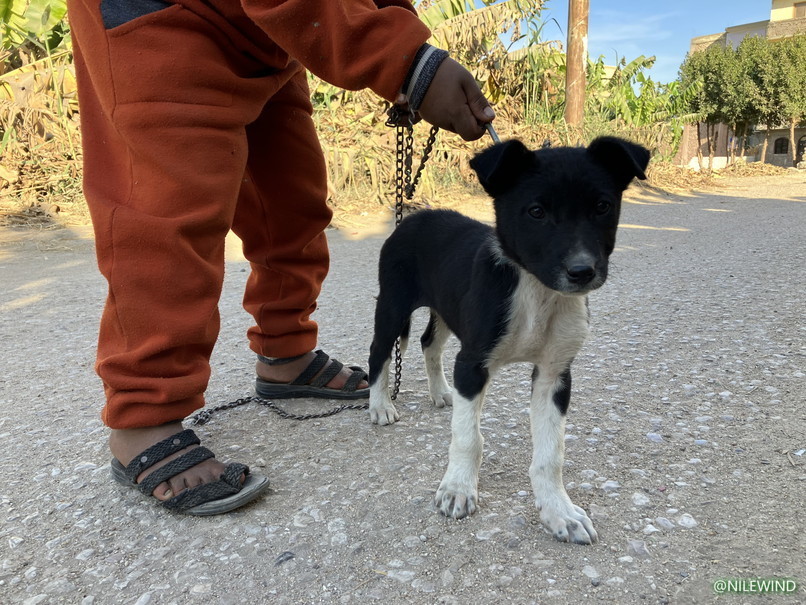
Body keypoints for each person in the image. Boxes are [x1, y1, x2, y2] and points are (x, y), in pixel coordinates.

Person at [68, 0, 495, 515]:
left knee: (292, 202)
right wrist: (408, 63)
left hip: (271, 34)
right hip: (162, 18)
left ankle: (285, 355)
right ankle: (144, 414)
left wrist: (403, 50)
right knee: (168, 213)